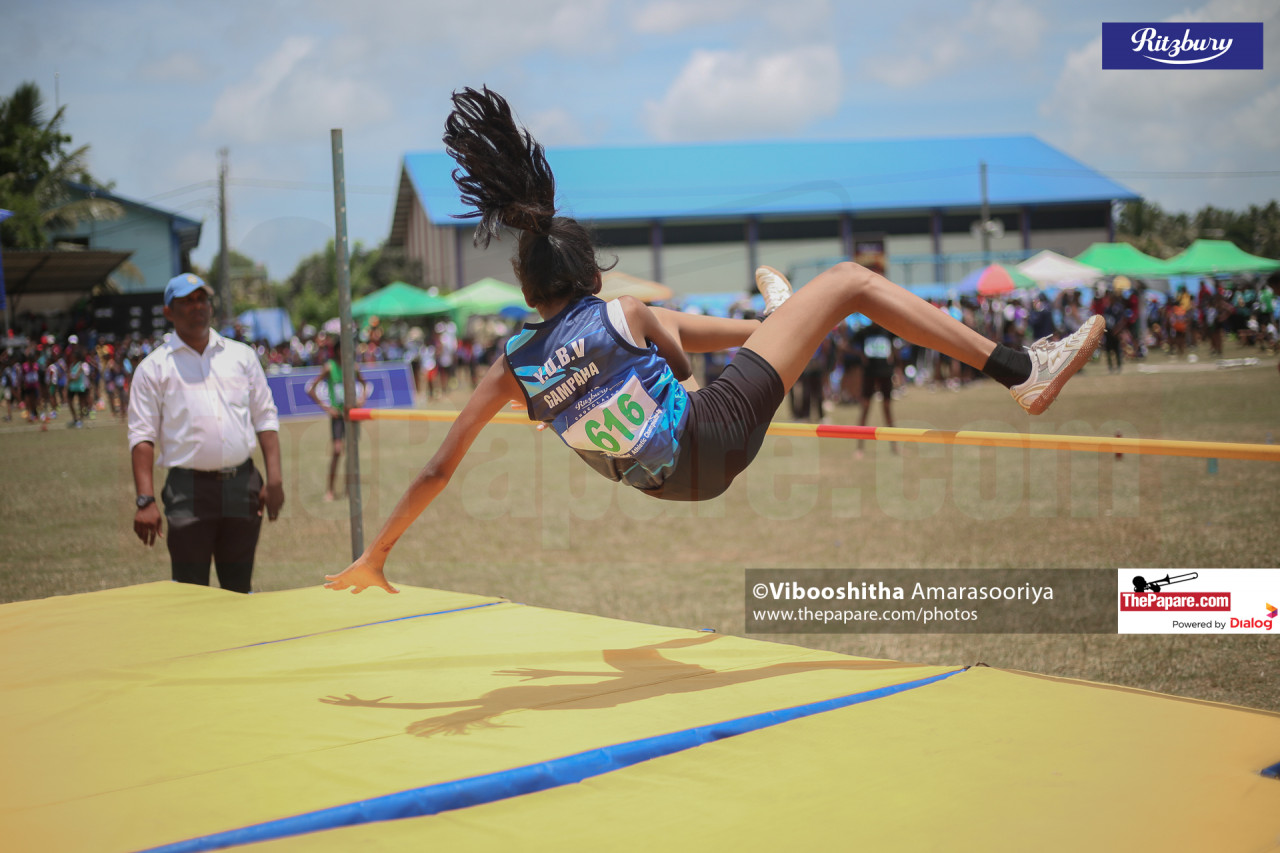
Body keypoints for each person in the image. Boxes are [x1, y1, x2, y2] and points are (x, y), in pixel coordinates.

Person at [323, 87, 1103, 595]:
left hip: (675, 484)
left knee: (802, 314)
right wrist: (756, 335)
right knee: (853, 281)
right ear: (592, 274)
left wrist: (379, 551)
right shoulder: (623, 314)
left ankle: (788, 312)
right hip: (714, 426)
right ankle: (1019, 368)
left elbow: (436, 465)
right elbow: (685, 349)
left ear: (529, 292)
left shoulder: (514, 365)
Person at [128, 273, 285, 594]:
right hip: (188, 490)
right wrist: (145, 500)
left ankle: (242, 645)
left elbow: (265, 418)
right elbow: (142, 436)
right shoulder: (154, 368)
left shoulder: (240, 356)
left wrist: (275, 479)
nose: (197, 306)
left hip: (243, 485)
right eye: (187, 301)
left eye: (202, 299)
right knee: (190, 592)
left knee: (239, 589)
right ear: (169, 311)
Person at [305, 337, 366, 501]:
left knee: (352, 454)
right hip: (338, 416)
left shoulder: (353, 367)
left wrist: (361, 400)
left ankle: (349, 489)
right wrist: (326, 408)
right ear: (337, 350)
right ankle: (330, 490)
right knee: (337, 451)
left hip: (351, 415)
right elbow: (310, 389)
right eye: (343, 349)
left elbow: (365, 385)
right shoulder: (329, 367)